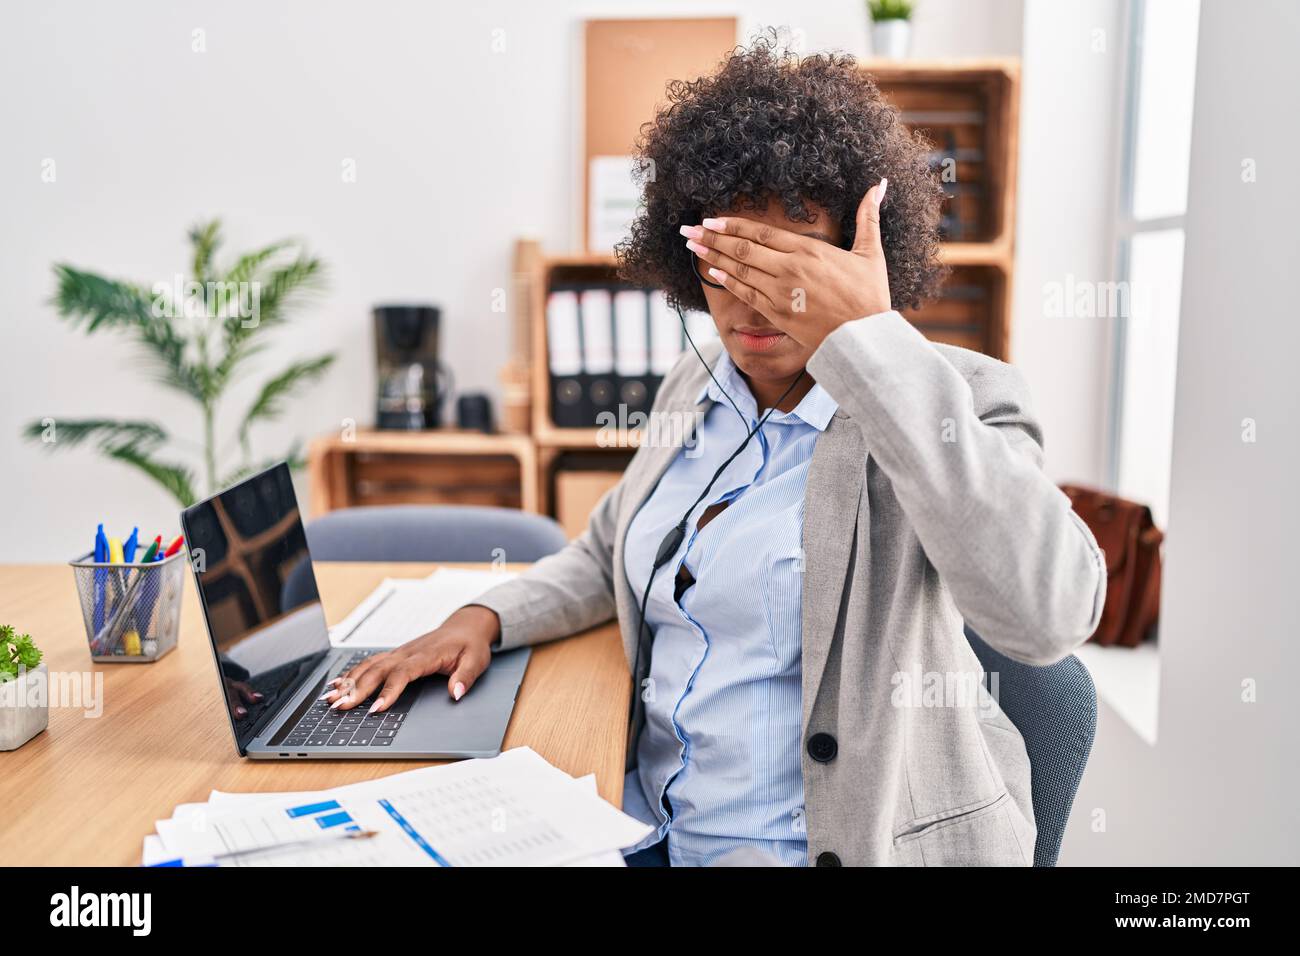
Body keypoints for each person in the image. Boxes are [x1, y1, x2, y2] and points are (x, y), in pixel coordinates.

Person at [323, 37, 1106, 866]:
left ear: (855, 258)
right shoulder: (691, 391)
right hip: (650, 829)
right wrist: (481, 618)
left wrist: (872, 340)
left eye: (791, 257)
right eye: (728, 255)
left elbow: (1048, 611)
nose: (756, 298)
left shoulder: (952, 400)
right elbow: (606, 552)